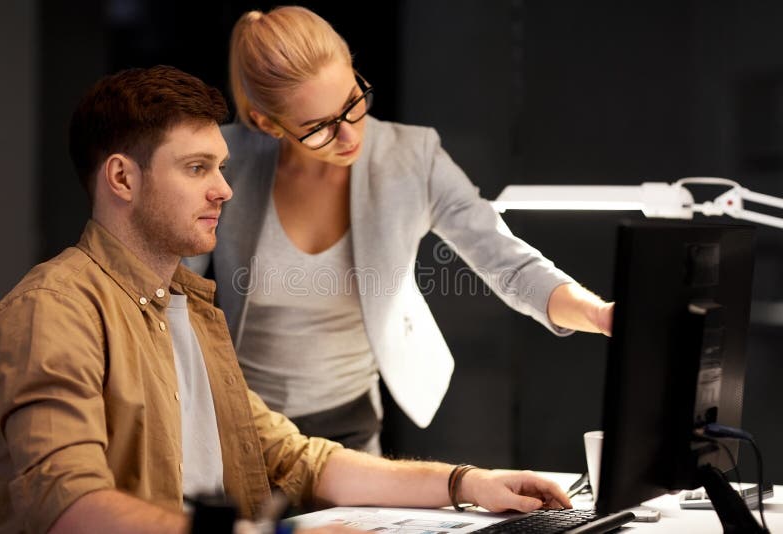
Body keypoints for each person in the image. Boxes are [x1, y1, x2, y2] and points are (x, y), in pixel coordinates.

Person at [0, 64, 573, 534]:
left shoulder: (187, 308)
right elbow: (68, 509)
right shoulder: (51, 311)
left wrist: (469, 484)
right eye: (196, 168)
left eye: (220, 166)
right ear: (122, 179)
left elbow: (296, 457)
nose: (223, 189)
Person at [184, 5, 614, 454]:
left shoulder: (412, 157)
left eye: (352, 103)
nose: (350, 136)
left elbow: (504, 259)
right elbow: (173, 290)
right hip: (240, 422)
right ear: (266, 123)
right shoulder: (224, 159)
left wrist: (597, 314)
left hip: (351, 426)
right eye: (319, 128)